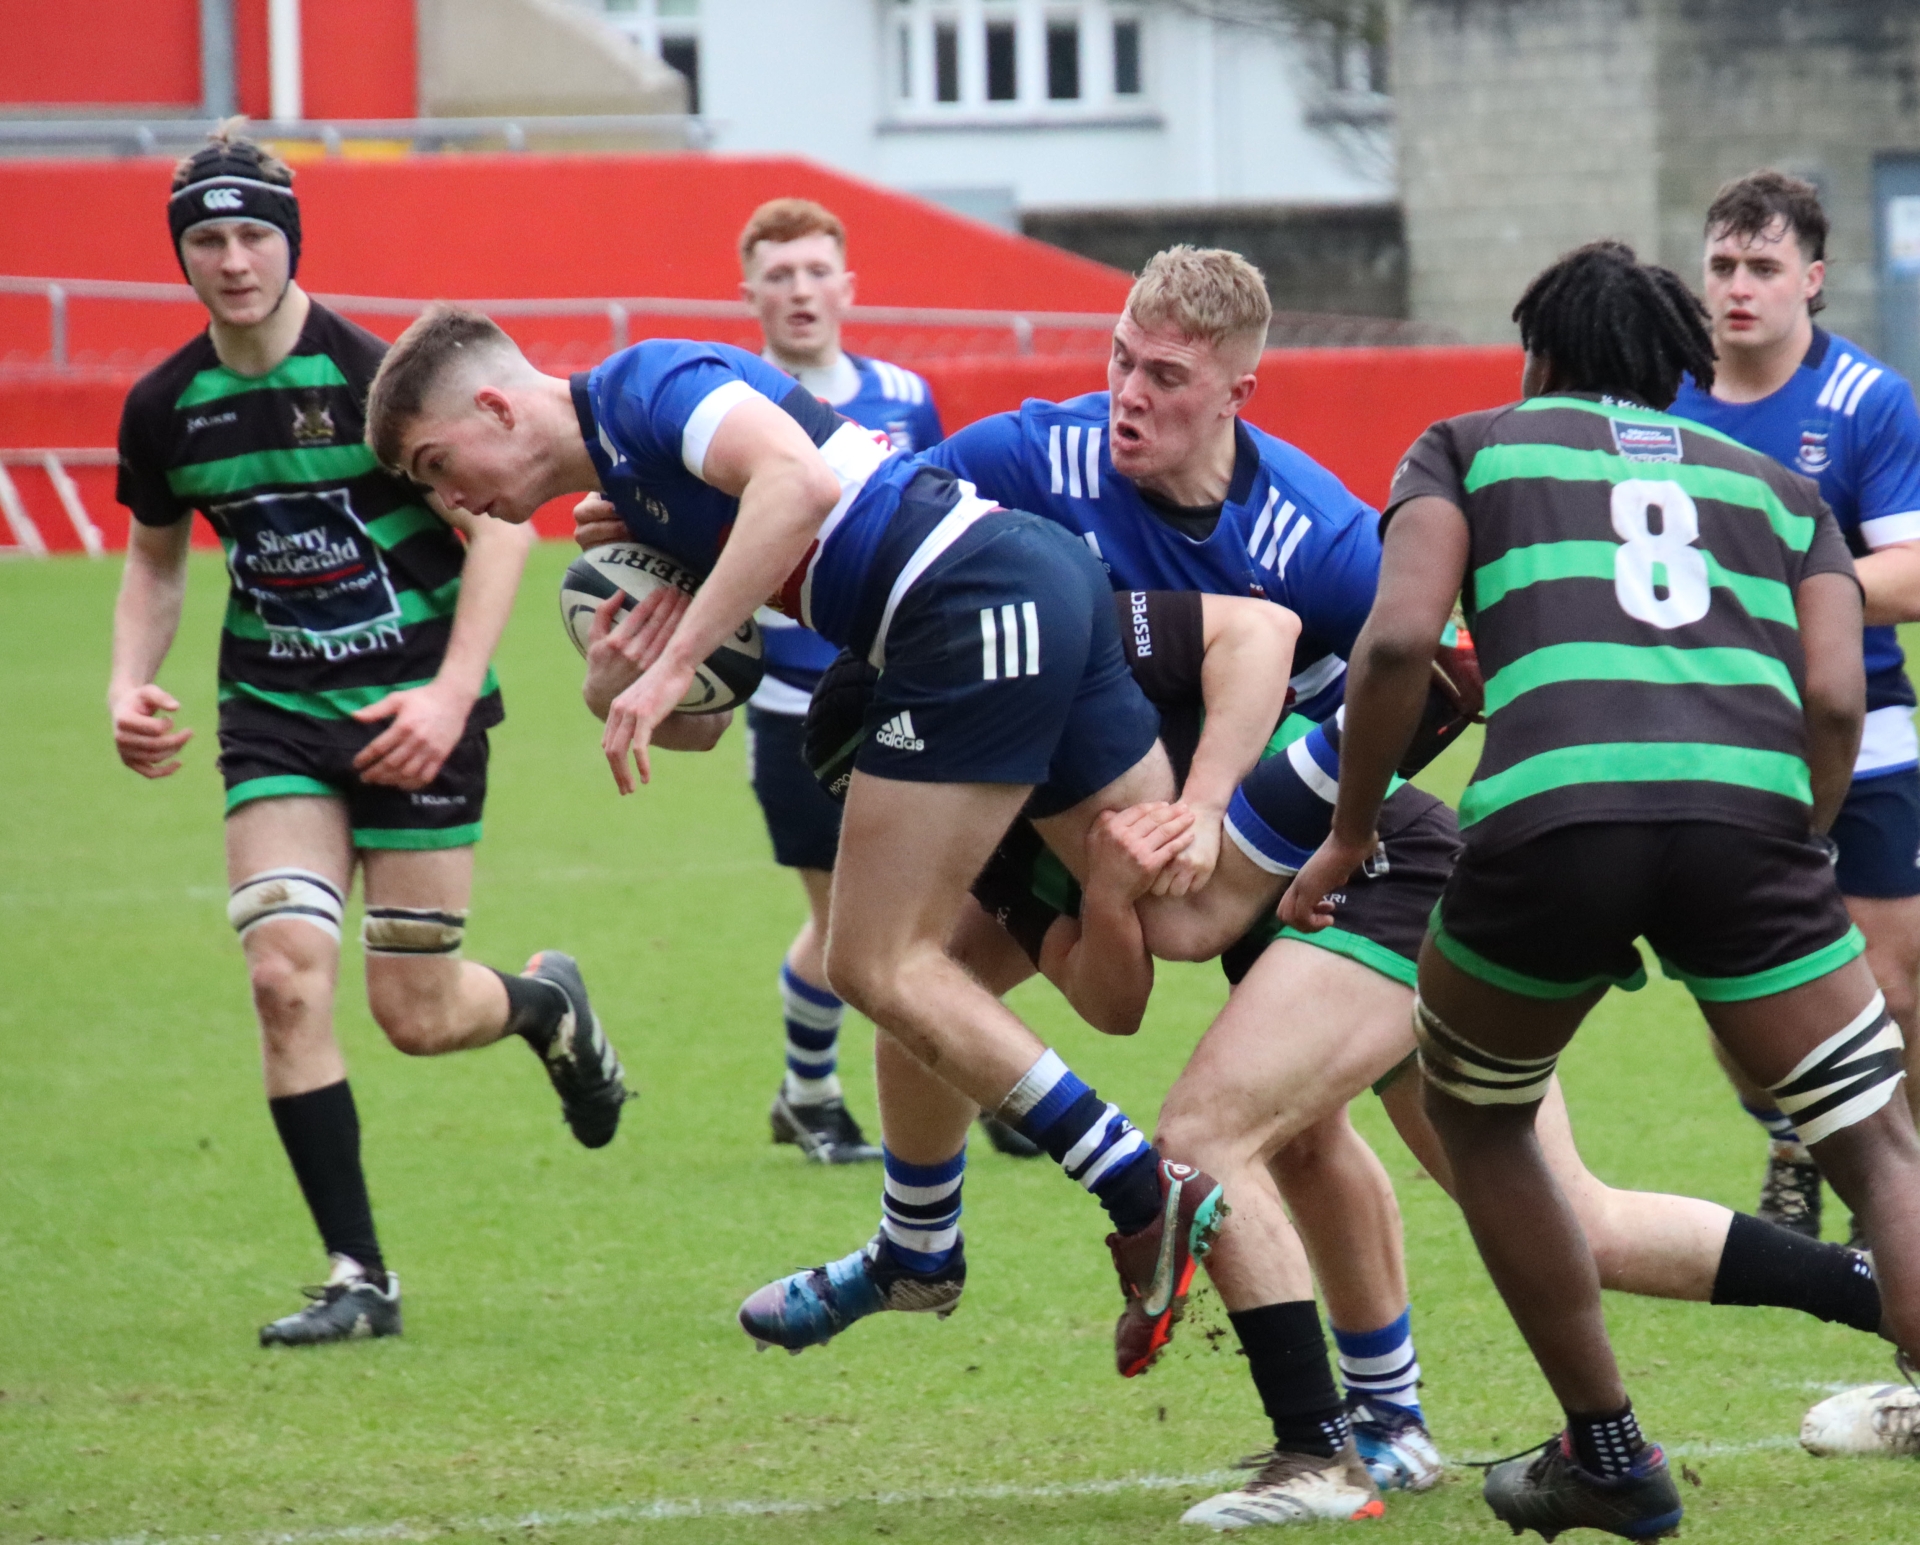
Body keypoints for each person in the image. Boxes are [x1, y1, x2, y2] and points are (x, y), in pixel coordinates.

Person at [739, 246, 1903, 1528]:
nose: (1126, 393)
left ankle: (1337, 1451)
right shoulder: (1028, 457)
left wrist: (1270, 827)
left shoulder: (1318, 531)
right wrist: (689, 575)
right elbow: (864, 513)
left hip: (1358, 858)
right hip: (1232, 868)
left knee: (1244, 1147)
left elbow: (1437, 676)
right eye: (1120, 358)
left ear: (1241, 387)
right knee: (949, 983)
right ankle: (934, 1249)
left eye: (1166, 376)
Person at [362, 309, 1290, 1403]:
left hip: (966, 600)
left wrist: (677, 661)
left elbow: (797, 486)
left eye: (438, 464)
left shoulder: (644, 385)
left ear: (496, 407)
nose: (451, 498)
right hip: (1019, 593)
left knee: (878, 962)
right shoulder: (633, 488)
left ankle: (1140, 1187)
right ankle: (929, 1252)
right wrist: (625, 683)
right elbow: (710, 713)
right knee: (1182, 912)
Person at [1283, 239, 1920, 1540]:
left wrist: (1349, 834)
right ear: (1680, 372)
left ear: (1543, 357)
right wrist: (1793, 839)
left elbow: (1401, 638)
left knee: (1487, 1120)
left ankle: (1612, 1450)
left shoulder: (1466, 445)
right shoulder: (1770, 485)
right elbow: (1839, 691)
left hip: (1550, 819)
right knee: (1880, 1145)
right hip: (1752, 819)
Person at [108, 126, 629, 1348]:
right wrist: (128, 683)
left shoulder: (377, 379)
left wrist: (451, 694)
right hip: (275, 718)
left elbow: (503, 530)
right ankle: (359, 1275)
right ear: (181, 252)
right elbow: (154, 556)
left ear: (292, 240)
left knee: (416, 1012)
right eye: (207, 238)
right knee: (284, 979)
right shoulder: (166, 407)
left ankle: (548, 1009)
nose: (233, 260)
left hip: (415, 714)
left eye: (253, 233)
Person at [1669, 171, 1920, 1246]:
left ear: (1811, 281)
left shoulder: (1868, 401)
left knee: (1895, 980)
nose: (1738, 289)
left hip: (1861, 719)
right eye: (1723, 266)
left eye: (1763, 269)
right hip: (1705, 726)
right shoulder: (1660, 390)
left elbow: (1910, 573)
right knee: (1733, 984)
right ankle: (1783, 1127)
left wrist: (1756, 582)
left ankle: (1896, 1200)